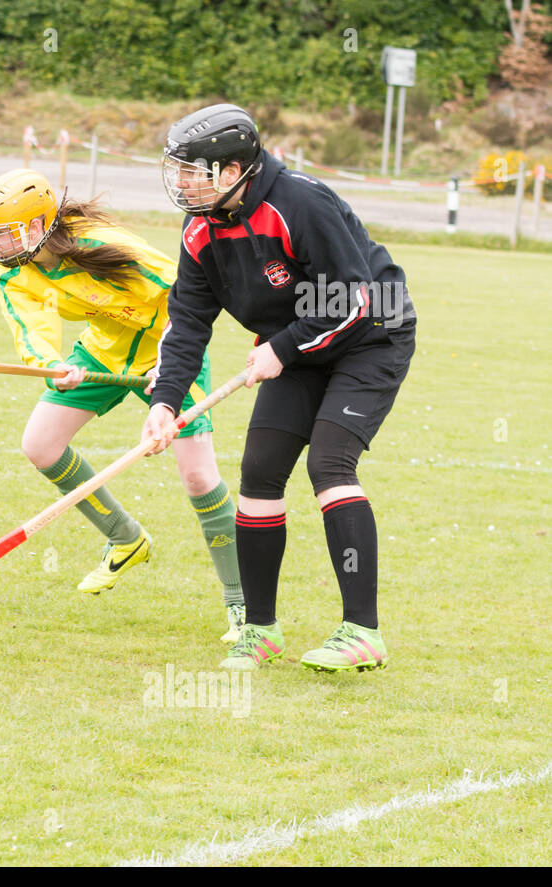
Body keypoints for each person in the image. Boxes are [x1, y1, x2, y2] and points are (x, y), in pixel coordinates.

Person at [142, 103, 416, 672]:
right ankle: (260, 630)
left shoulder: (300, 203)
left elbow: (353, 296)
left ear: (235, 168)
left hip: (372, 335)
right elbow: (188, 322)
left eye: (196, 170)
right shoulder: (201, 230)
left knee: (330, 465)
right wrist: (165, 401)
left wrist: (281, 349)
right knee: (261, 470)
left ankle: (361, 632)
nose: (185, 181)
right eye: (181, 170)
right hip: (297, 348)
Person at [0, 169, 245, 644]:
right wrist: (52, 364)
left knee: (199, 475)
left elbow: (189, 289)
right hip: (105, 349)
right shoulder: (12, 272)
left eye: (4, 233)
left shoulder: (100, 242)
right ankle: (125, 537)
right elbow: (29, 327)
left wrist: (173, 365)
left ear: (38, 225)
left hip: (170, 348)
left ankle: (244, 603)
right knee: (41, 445)